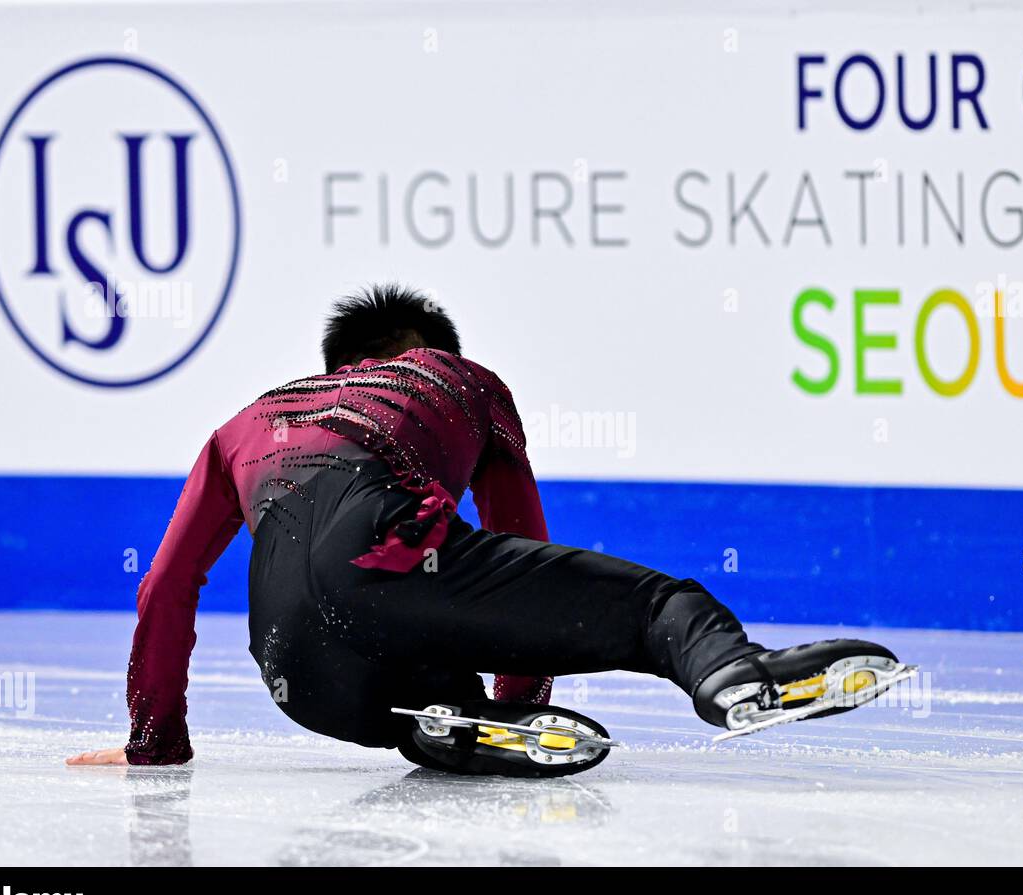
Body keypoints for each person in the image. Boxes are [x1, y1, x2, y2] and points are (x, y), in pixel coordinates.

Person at [67, 284, 904, 777]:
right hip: (386, 550)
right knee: (660, 607)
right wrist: (526, 696)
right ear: (421, 350)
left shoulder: (245, 423)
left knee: (419, 697)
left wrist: (154, 742)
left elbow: (165, 587)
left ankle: (449, 724)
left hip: (292, 667)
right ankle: (731, 674)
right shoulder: (461, 377)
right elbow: (517, 534)